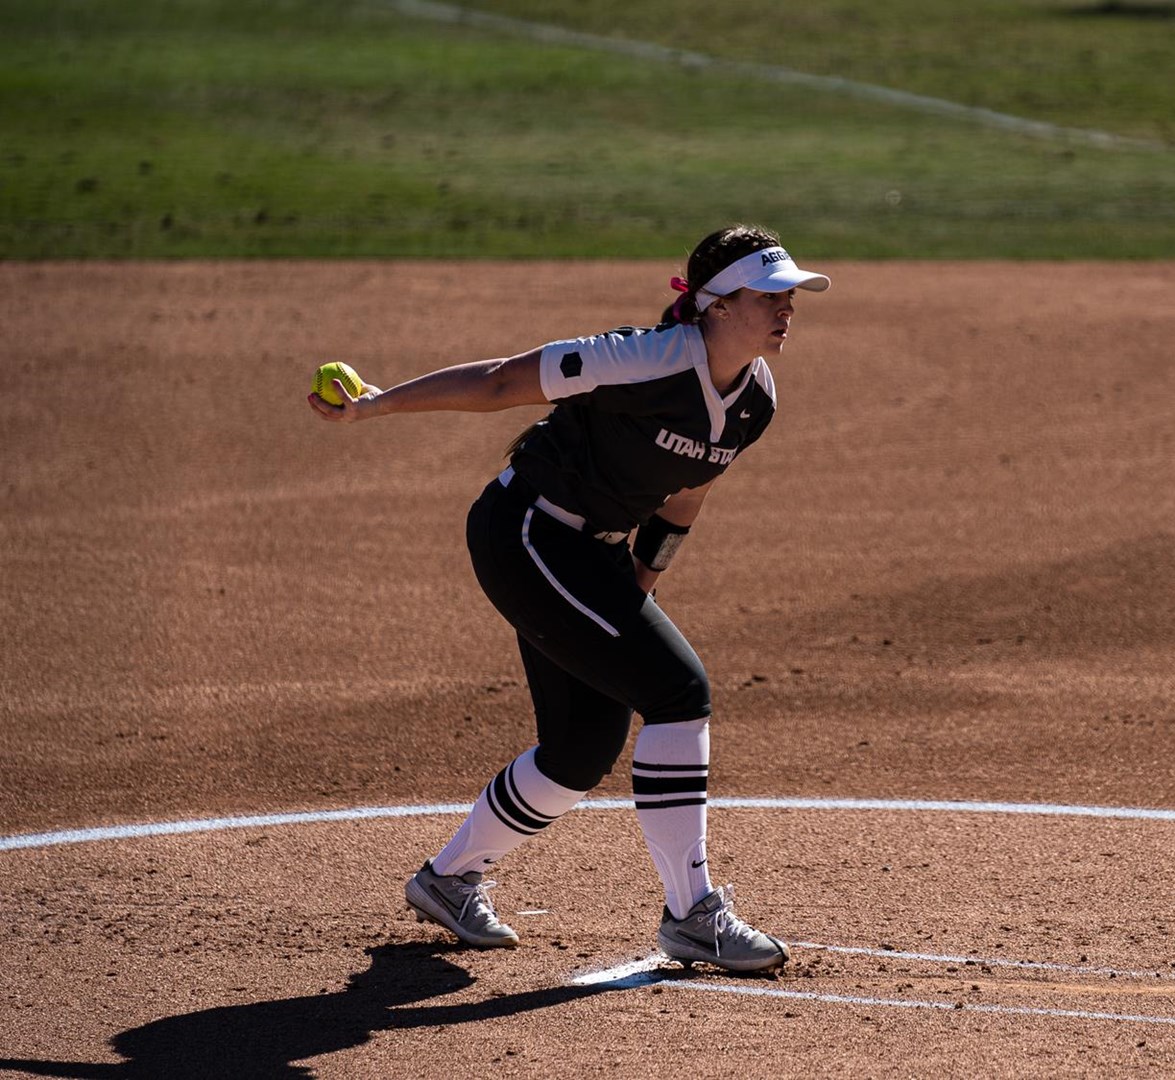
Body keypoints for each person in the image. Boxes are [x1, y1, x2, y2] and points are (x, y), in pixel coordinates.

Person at [307, 224, 828, 972]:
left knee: (582, 746)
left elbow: (687, 495)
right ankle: (693, 913)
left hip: (589, 556)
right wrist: (375, 406)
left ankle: (448, 881)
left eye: (791, 295)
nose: (787, 308)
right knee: (679, 690)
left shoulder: (756, 399)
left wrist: (639, 588)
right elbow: (498, 382)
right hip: (525, 534)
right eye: (768, 294)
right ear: (715, 303)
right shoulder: (643, 359)